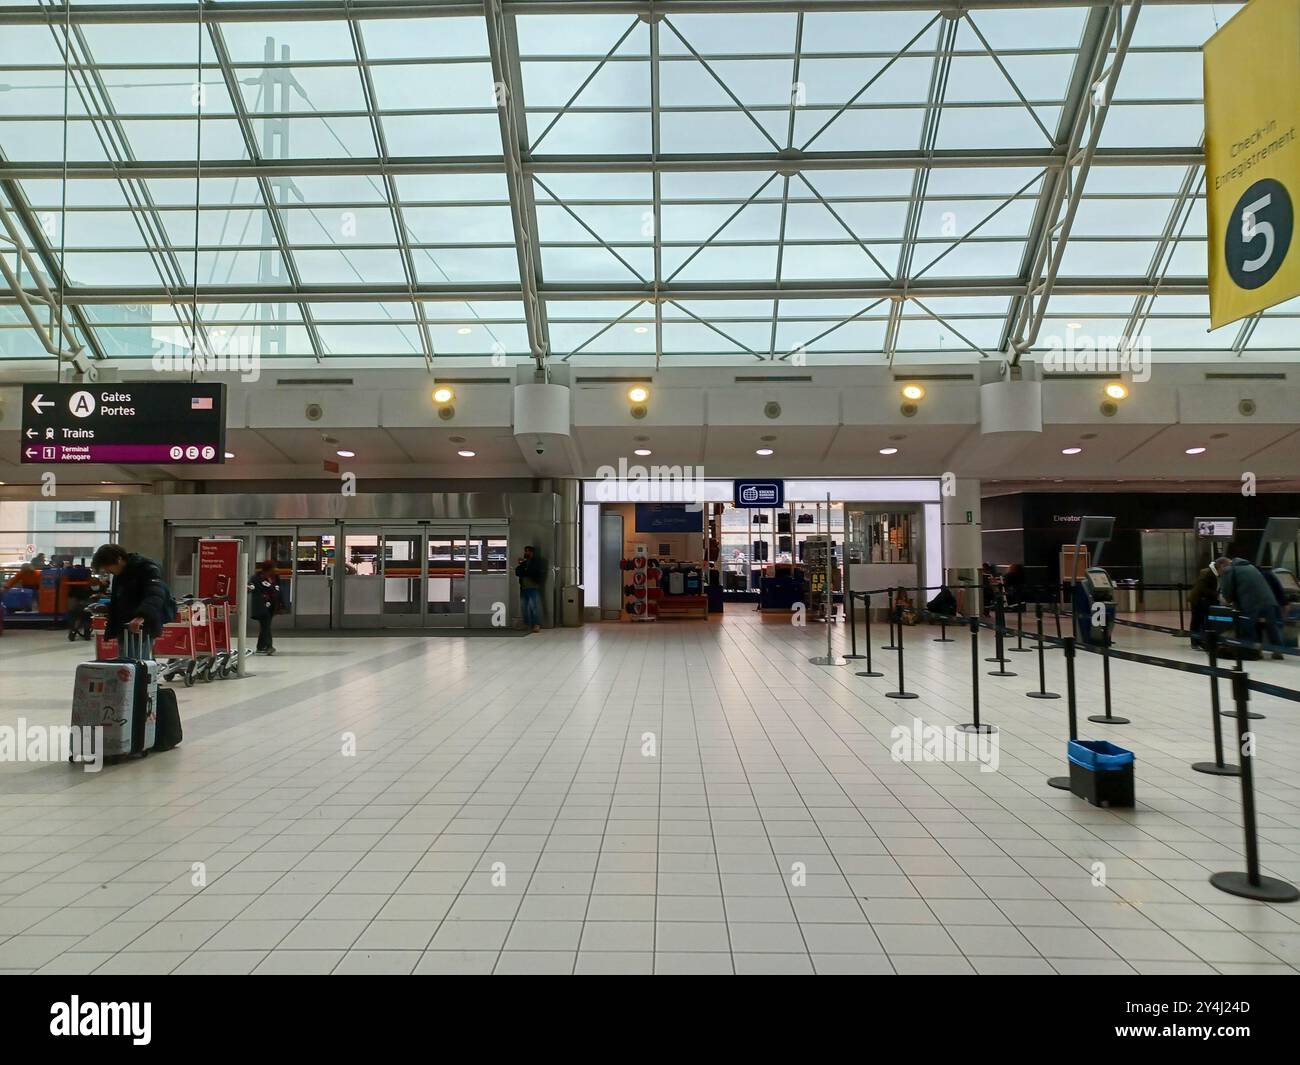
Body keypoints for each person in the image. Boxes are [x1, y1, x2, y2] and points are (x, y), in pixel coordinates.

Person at [91, 543, 171, 642]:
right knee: (125, 656)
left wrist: (142, 616)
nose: (107, 570)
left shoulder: (147, 568)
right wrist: (107, 608)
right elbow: (124, 600)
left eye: (107, 566)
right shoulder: (120, 573)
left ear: (119, 559)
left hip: (142, 628)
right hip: (125, 627)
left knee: (139, 656)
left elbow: (155, 594)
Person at [1219, 556, 1284, 660]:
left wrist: (1227, 599)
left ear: (1222, 566)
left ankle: (1253, 652)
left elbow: (1227, 592)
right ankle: (1278, 651)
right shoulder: (1250, 566)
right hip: (1269, 600)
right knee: (1271, 626)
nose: (1220, 574)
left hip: (1251, 603)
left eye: (1219, 571)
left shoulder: (1229, 570)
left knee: (1249, 627)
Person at [1189, 556, 1228, 646]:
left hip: (1206, 600)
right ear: (1221, 565)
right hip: (1198, 600)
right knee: (1197, 621)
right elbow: (1202, 588)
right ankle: (1195, 642)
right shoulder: (1207, 572)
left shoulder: (1218, 574)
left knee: (1204, 620)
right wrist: (1217, 595)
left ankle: (1203, 640)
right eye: (1226, 566)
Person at [248, 560, 283, 655]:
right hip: (261, 606)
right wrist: (249, 588)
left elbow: (279, 590)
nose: (275, 570)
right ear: (268, 569)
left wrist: (281, 604)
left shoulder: (275, 578)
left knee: (265, 626)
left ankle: (260, 646)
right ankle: (268, 646)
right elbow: (250, 586)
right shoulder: (256, 578)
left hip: (272, 606)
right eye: (273, 568)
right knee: (266, 626)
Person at [515, 545, 545, 633]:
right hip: (523, 588)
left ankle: (536, 624)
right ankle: (526, 624)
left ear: (532, 553)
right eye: (525, 551)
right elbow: (517, 572)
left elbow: (531, 572)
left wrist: (524, 570)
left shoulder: (536, 562)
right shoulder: (523, 563)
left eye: (528, 551)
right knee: (524, 607)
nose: (526, 553)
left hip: (533, 587)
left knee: (533, 607)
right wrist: (522, 566)